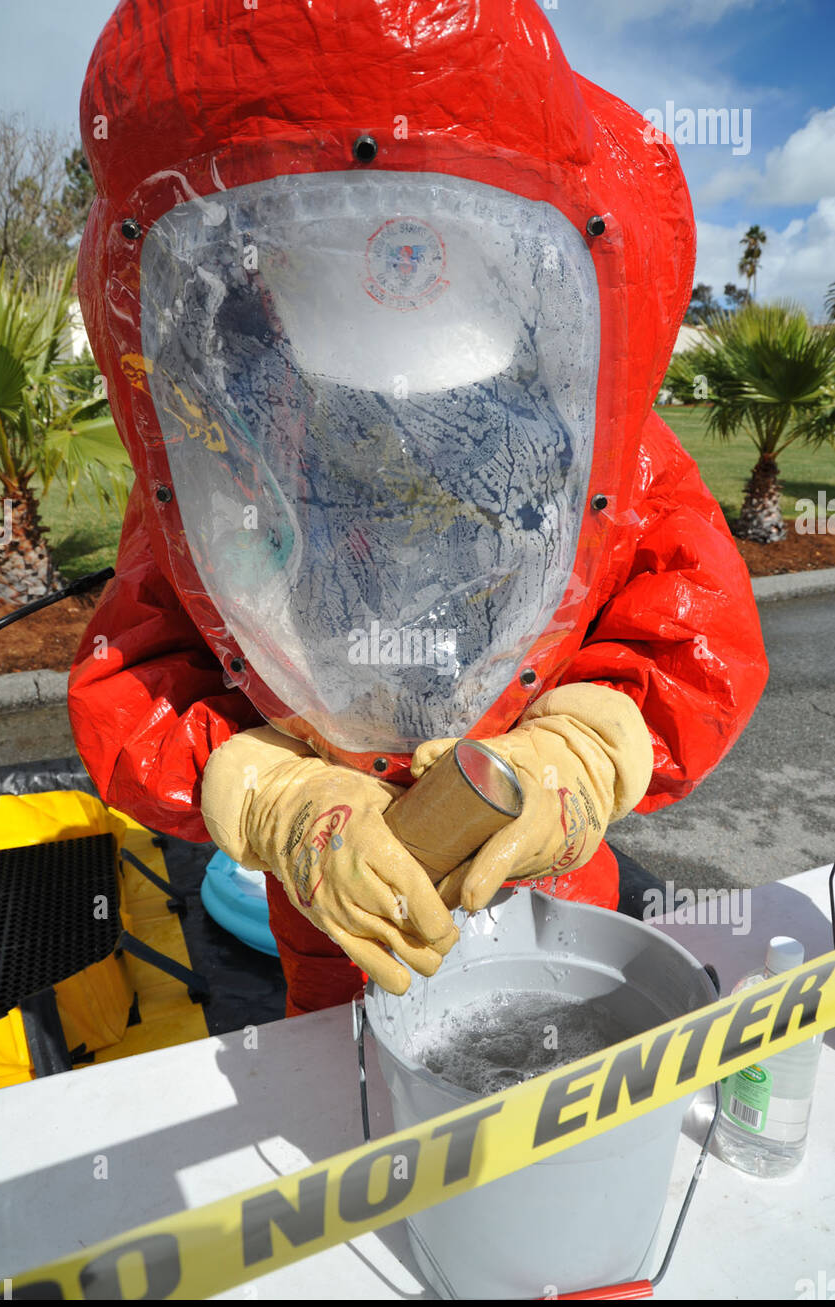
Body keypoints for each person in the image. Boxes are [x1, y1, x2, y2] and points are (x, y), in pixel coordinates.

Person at [68, 0, 768, 1017]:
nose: (401, 416)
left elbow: (687, 629)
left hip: (546, 894)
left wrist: (566, 762)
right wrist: (283, 800)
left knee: (553, 1094)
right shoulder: (227, 453)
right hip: (333, 914)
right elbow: (141, 674)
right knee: (353, 1116)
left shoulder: (602, 450)